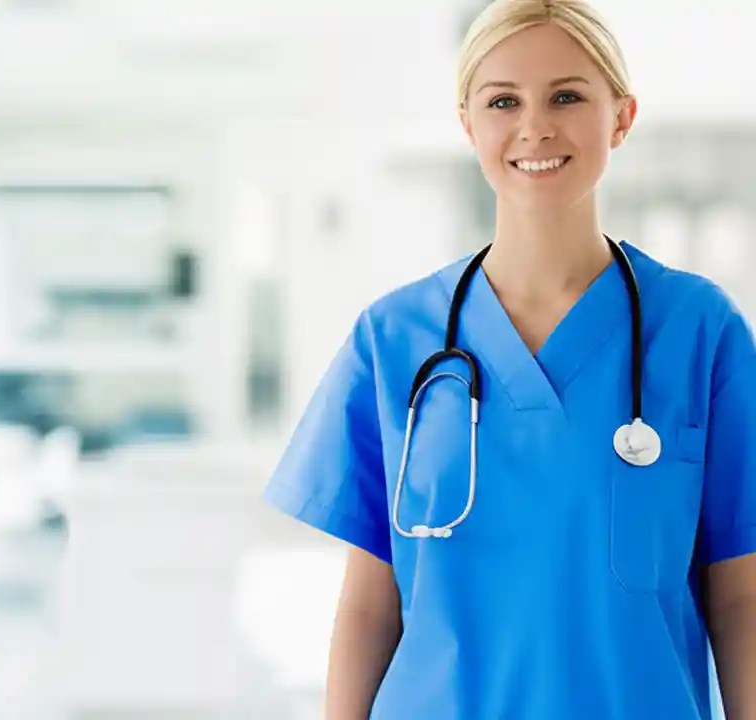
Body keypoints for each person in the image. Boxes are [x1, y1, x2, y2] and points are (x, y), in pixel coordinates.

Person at [261, 1, 756, 718]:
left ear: (622, 115)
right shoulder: (395, 337)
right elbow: (370, 605)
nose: (535, 125)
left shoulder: (700, 331)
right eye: (503, 101)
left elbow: (740, 592)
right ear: (469, 123)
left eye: (567, 95)